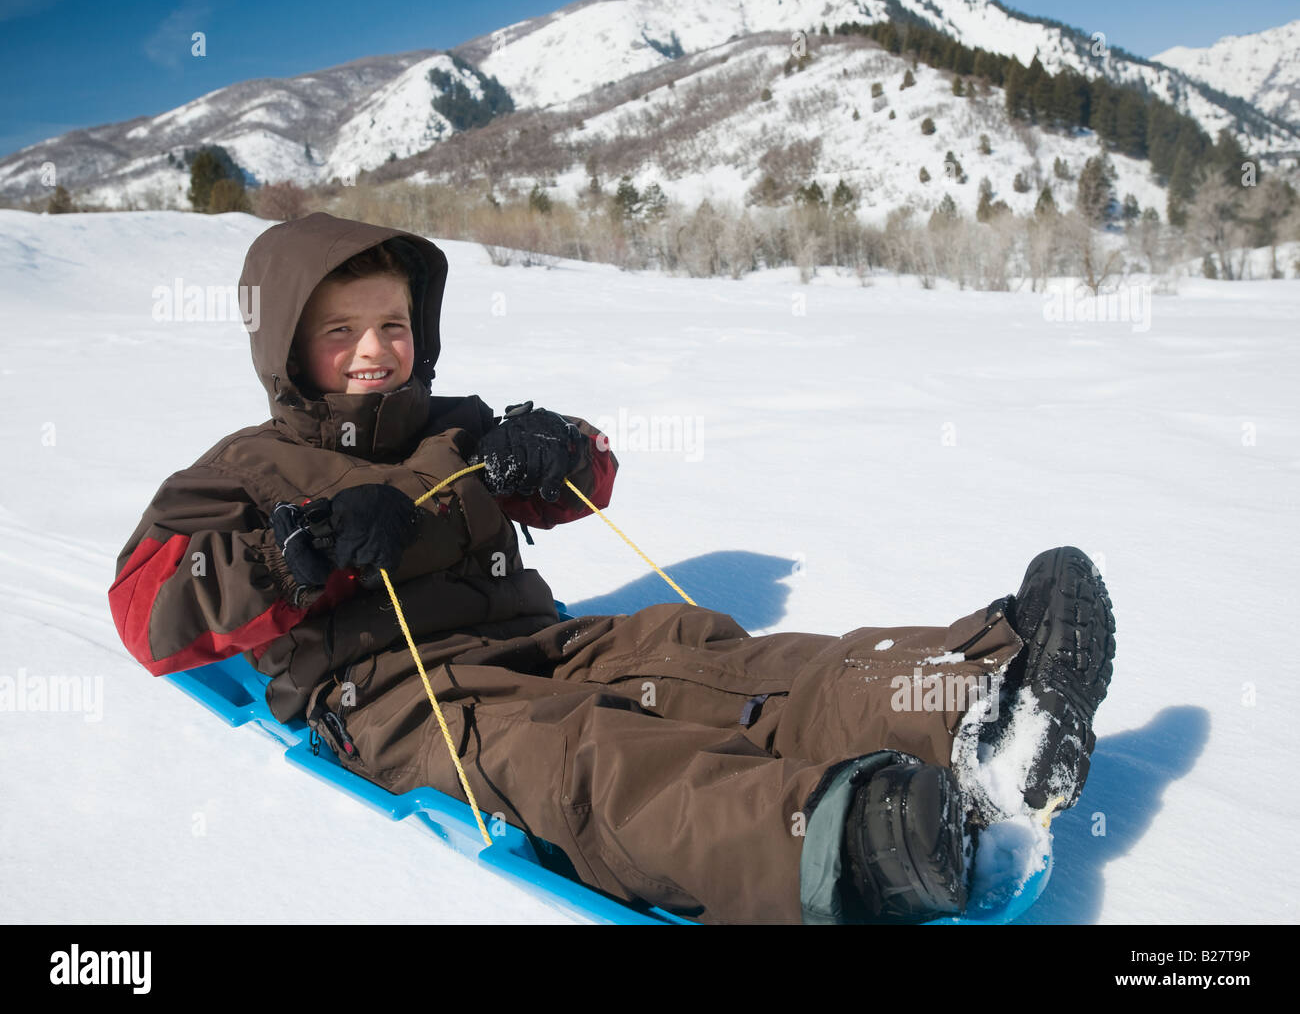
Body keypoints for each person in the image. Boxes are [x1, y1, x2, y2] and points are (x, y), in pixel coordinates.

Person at [108, 212, 1115, 925]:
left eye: (395, 325)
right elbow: (147, 608)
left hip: (545, 636)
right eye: (342, 333)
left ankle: (982, 701)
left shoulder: (453, 425)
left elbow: (582, 479)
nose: (378, 351)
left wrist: (557, 448)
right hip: (401, 699)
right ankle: (851, 838)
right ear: (289, 345)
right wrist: (300, 547)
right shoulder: (241, 468)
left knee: (704, 654)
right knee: (578, 757)